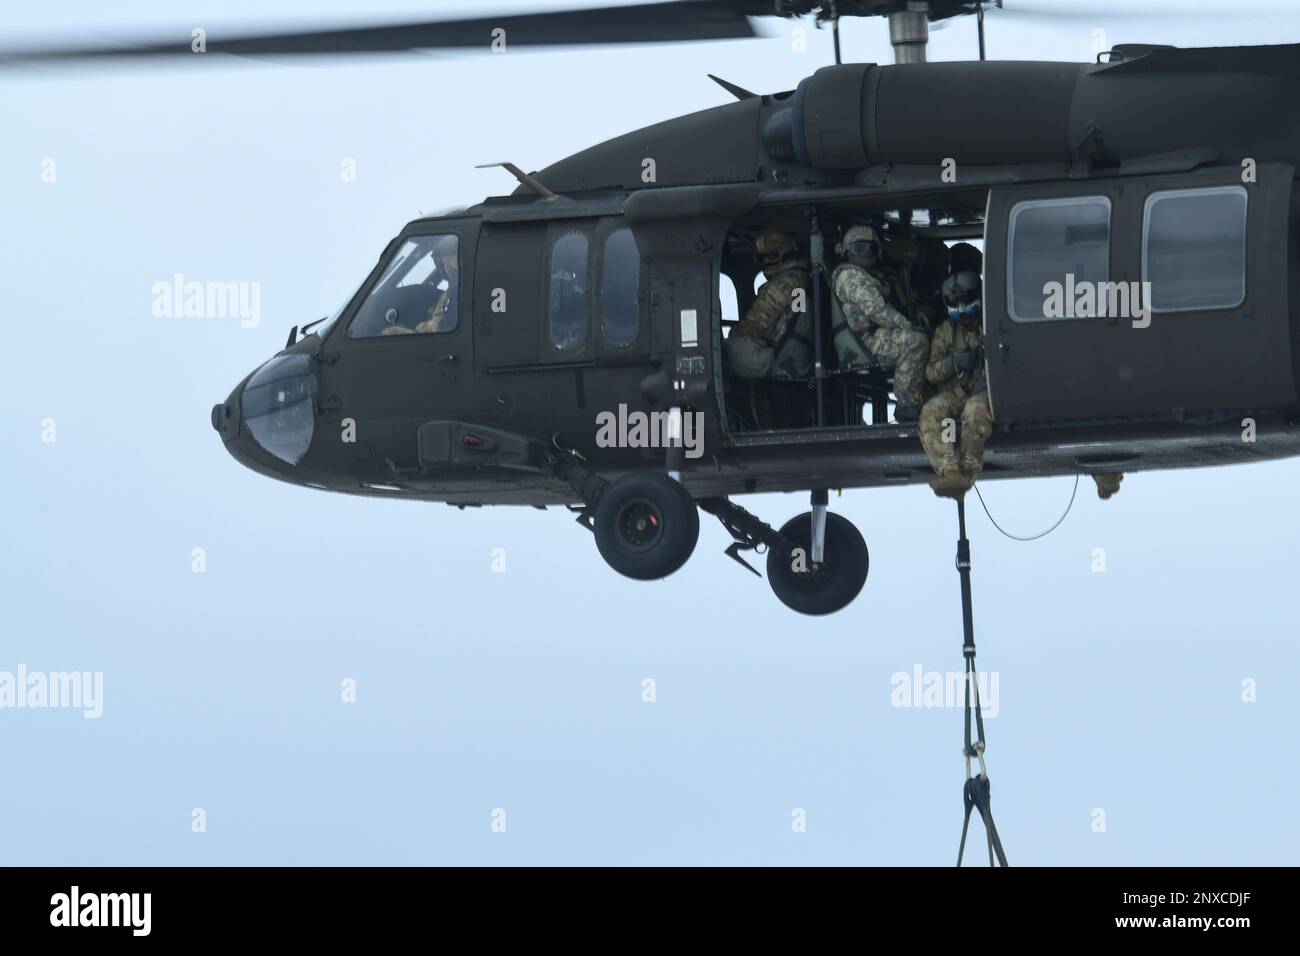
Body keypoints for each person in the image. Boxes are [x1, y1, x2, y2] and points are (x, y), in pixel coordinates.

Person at [830, 225, 929, 423]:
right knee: (915, 342)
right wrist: (907, 325)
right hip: (861, 343)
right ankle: (907, 405)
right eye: (859, 249)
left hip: (872, 335)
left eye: (871, 249)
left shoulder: (871, 275)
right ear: (847, 252)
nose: (866, 254)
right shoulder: (851, 276)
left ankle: (925, 400)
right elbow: (877, 311)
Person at [919, 269, 992, 498]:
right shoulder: (945, 331)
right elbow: (931, 372)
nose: (961, 308)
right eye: (955, 303)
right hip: (957, 391)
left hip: (987, 391)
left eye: (966, 301)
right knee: (932, 411)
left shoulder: (992, 324)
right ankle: (949, 472)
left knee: (974, 413)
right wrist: (953, 364)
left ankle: (967, 474)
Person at [724, 229, 811, 381]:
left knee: (727, 352)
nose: (765, 262)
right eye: (760, 258)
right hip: (799, 357)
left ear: (785, 253)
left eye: (771, 256)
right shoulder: (803, 277)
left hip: (780, 358)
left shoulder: (783, 283)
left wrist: (732, 338)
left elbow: (753, 326)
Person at [382, 235, 459, 336]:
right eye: (444, 262)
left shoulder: (460, 289)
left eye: (451, 258)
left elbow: (447, 327)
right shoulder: (452, 289)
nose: (447, 265)